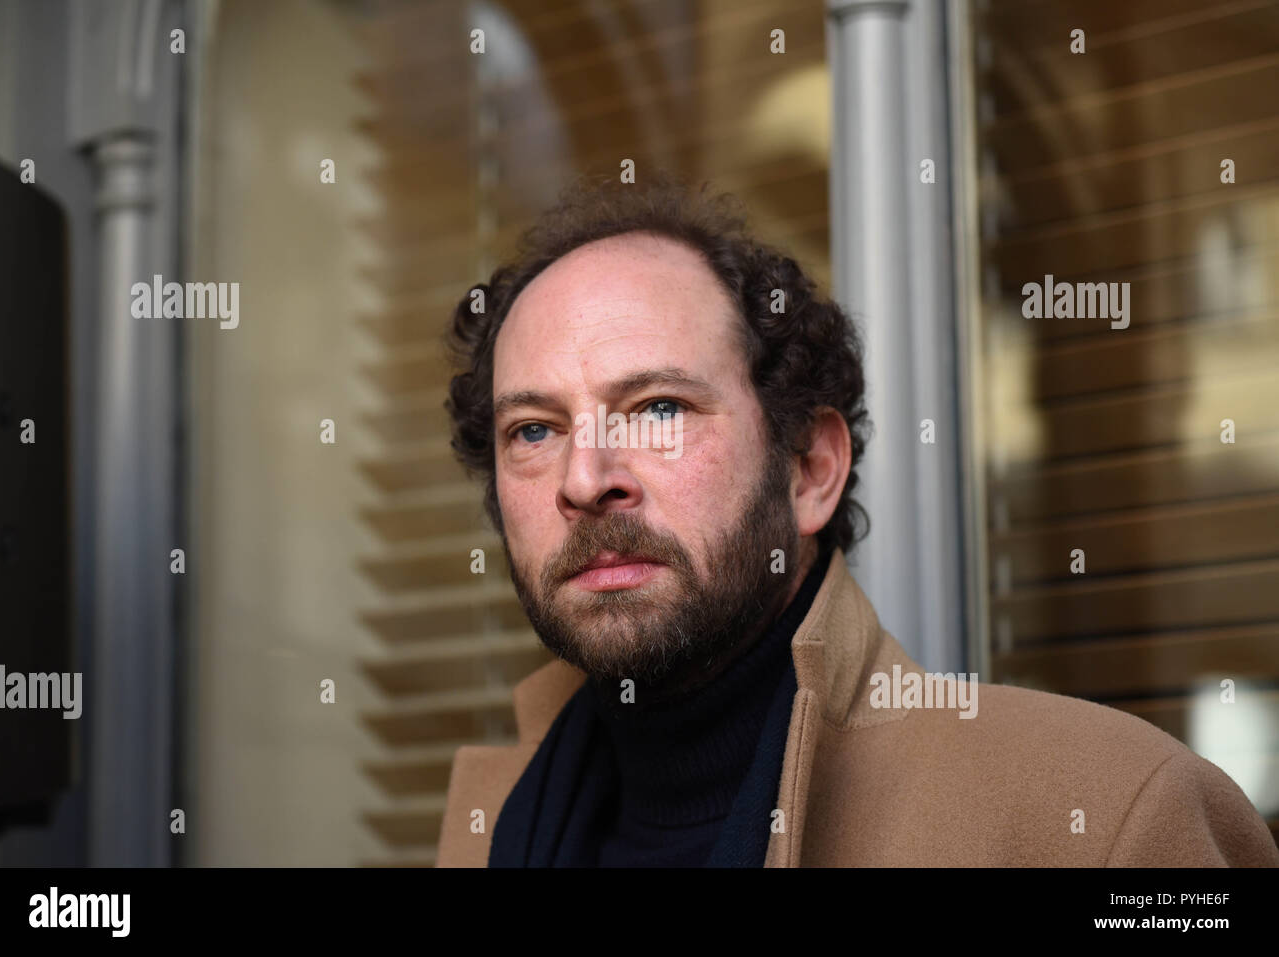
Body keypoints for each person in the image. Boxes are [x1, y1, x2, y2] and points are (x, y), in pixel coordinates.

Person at [434, 177, 1278, 867]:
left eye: (658, 408)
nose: (586, 478)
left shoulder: (1107, 822)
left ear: (811, 470)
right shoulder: (489, 824)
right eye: (534, 430)